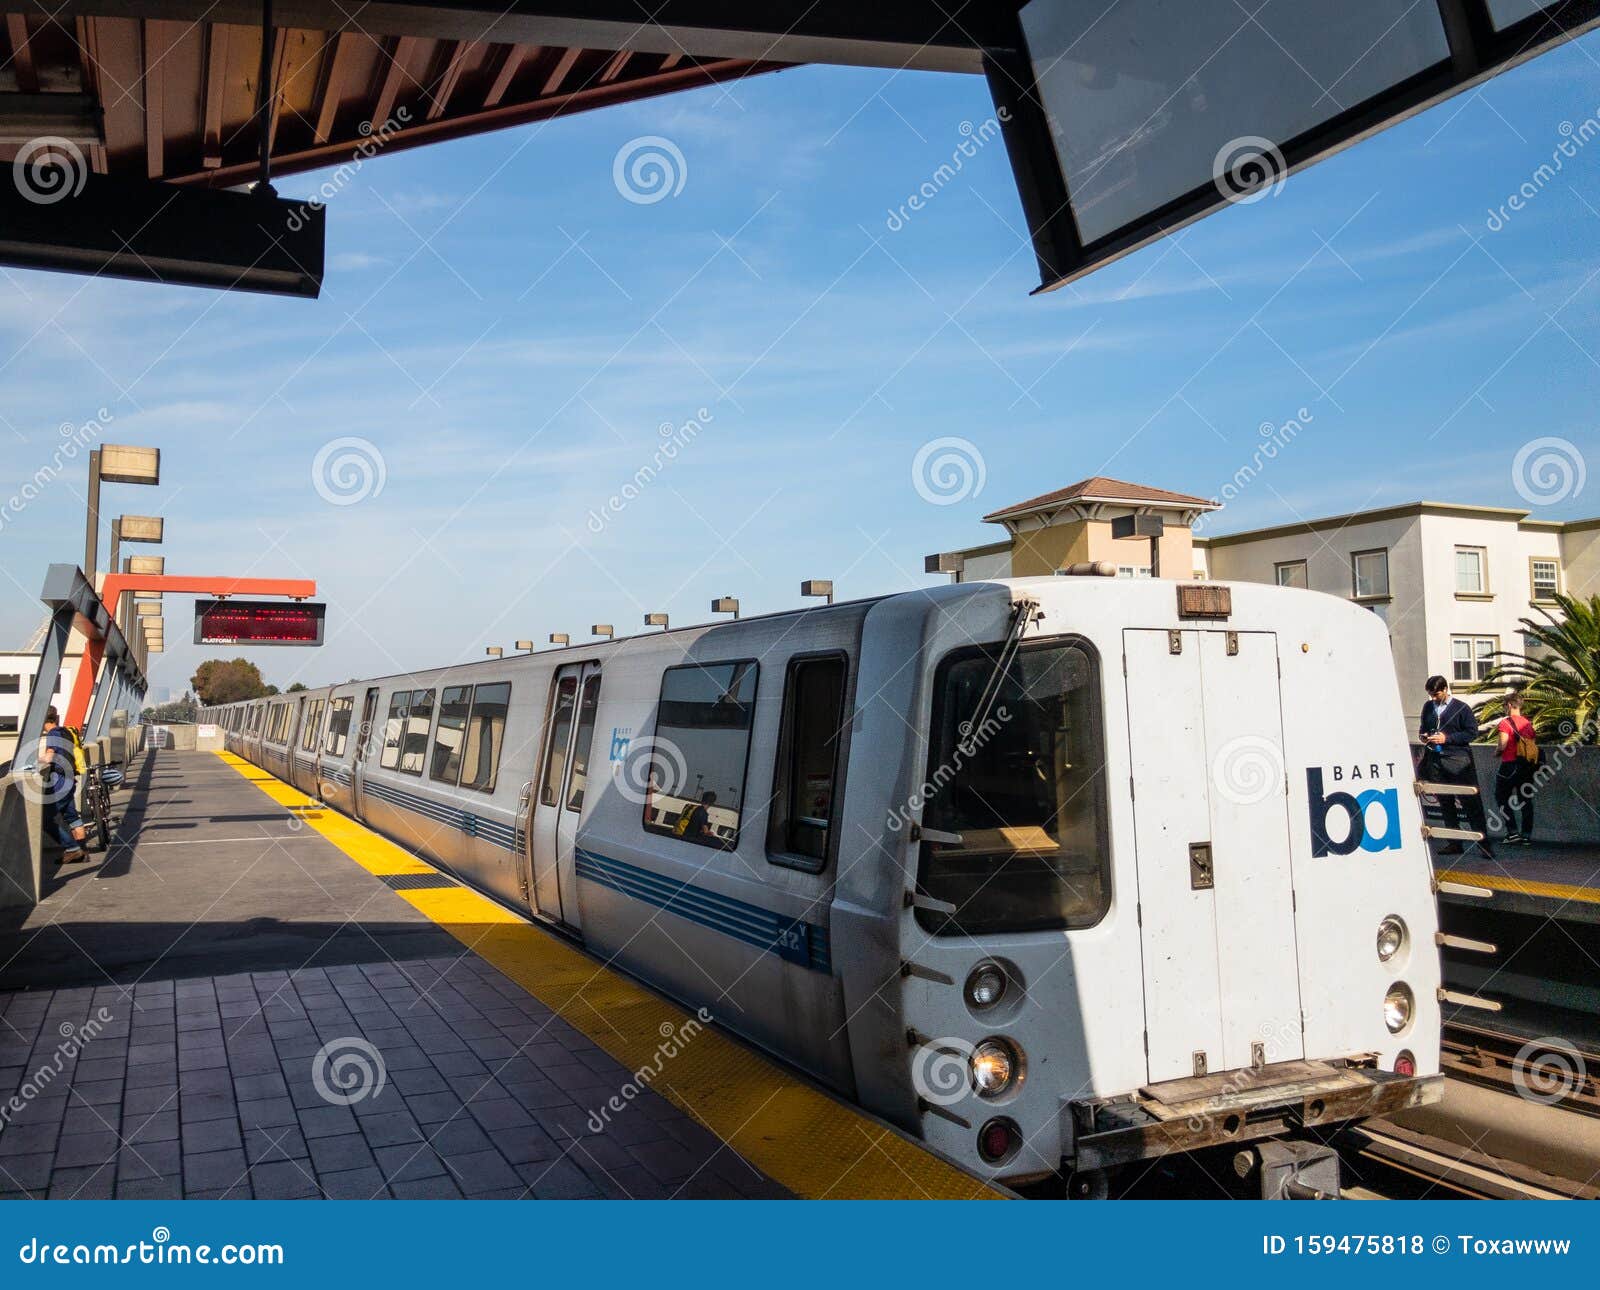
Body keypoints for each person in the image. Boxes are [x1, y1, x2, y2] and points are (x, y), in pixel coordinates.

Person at [1418, 676, 1492, 857]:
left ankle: (1484, 844)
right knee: (1445, 803)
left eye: (1436, 694)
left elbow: (1471, 732)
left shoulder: (1461, 708)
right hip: (1436, 761)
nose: (1433, 698)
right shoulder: (1428, 707)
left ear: (1445, 689)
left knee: (1470, 803)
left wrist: (1447, 738)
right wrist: (1425, 736)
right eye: (1430, 695)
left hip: (1458, 762)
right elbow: (1423, 727)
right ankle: (1454, 843)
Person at [39, 706, 88, 864]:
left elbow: (48, 758)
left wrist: (36, 760)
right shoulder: (66, 731)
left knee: (45, 820)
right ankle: (82, 852)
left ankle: (73, 849)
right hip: (70, 778)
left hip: (59, 781)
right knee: (72, 817)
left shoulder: (53, 734)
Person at [1494, 693, 1537, 846]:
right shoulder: (1528, 723)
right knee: (1525, 800)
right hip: (1526, 766)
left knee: (1501, 797)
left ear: (1510, 705)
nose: (1504, 708)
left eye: (1504, 705)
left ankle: (1512, 832)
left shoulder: (1505, 723)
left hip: (1509, 765)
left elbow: (1503, 744)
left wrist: (1497, 752)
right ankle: (1526, 836)